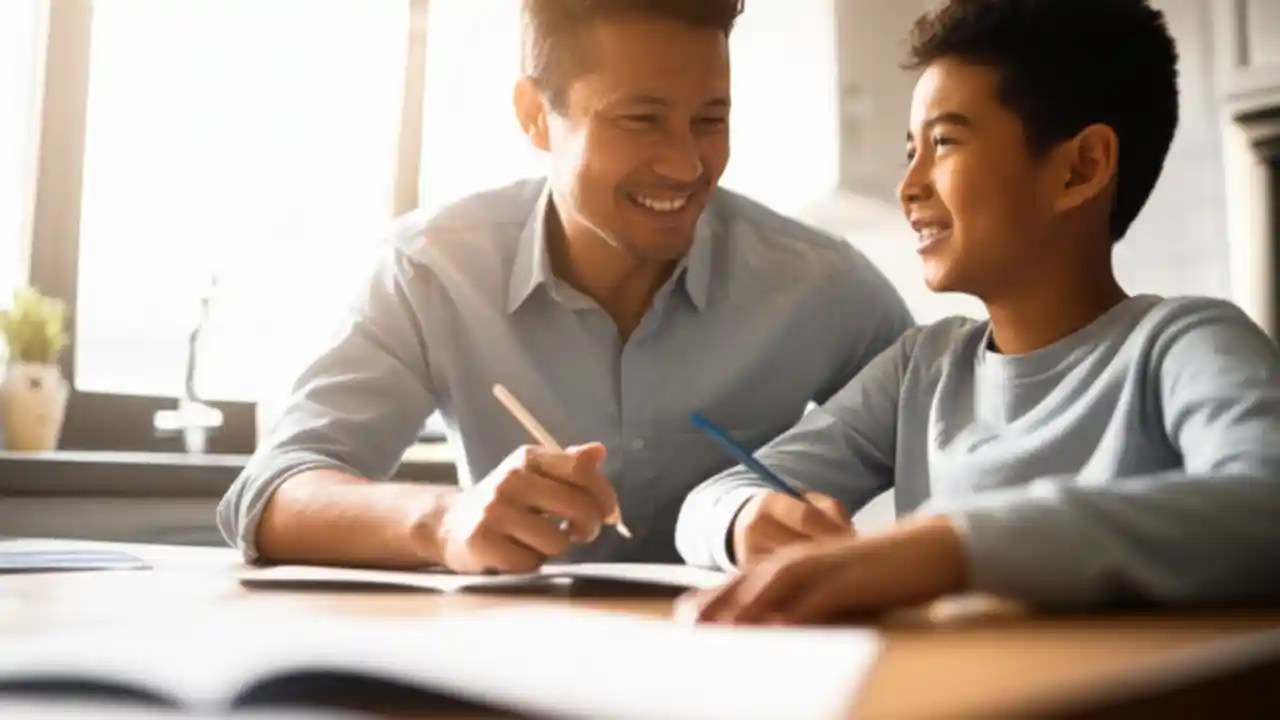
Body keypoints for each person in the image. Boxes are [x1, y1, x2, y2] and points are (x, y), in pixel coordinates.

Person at [216, 0, 913, 573]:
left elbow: (972, 449)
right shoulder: (434, 269)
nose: (685, 163)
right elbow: (272, 495)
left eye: (711, 120)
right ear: (533, 115)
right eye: (639, 120)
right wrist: (444, 521)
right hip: (506, 670)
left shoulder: (821, 285)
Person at [676, 0, 1280, 623]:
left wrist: (950, 547)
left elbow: (1267, 504)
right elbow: (712, 499)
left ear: (1081, 167)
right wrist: (748, 519)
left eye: (944, 141)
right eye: (911, 149)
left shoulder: (1182, 344)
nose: (909, 185)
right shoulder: (922, 368)